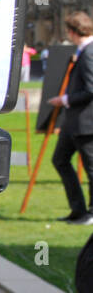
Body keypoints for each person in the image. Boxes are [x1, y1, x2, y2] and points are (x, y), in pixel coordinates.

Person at [48, 13, 93, 225]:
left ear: (73, 32)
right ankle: (78, 210)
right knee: (60, 160)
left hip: (86, 123)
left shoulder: (90, 52)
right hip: (74, 122)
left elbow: (91, 90)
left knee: (91, 167)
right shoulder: (83, 52)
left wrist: (64, 99)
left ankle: (89, 214)